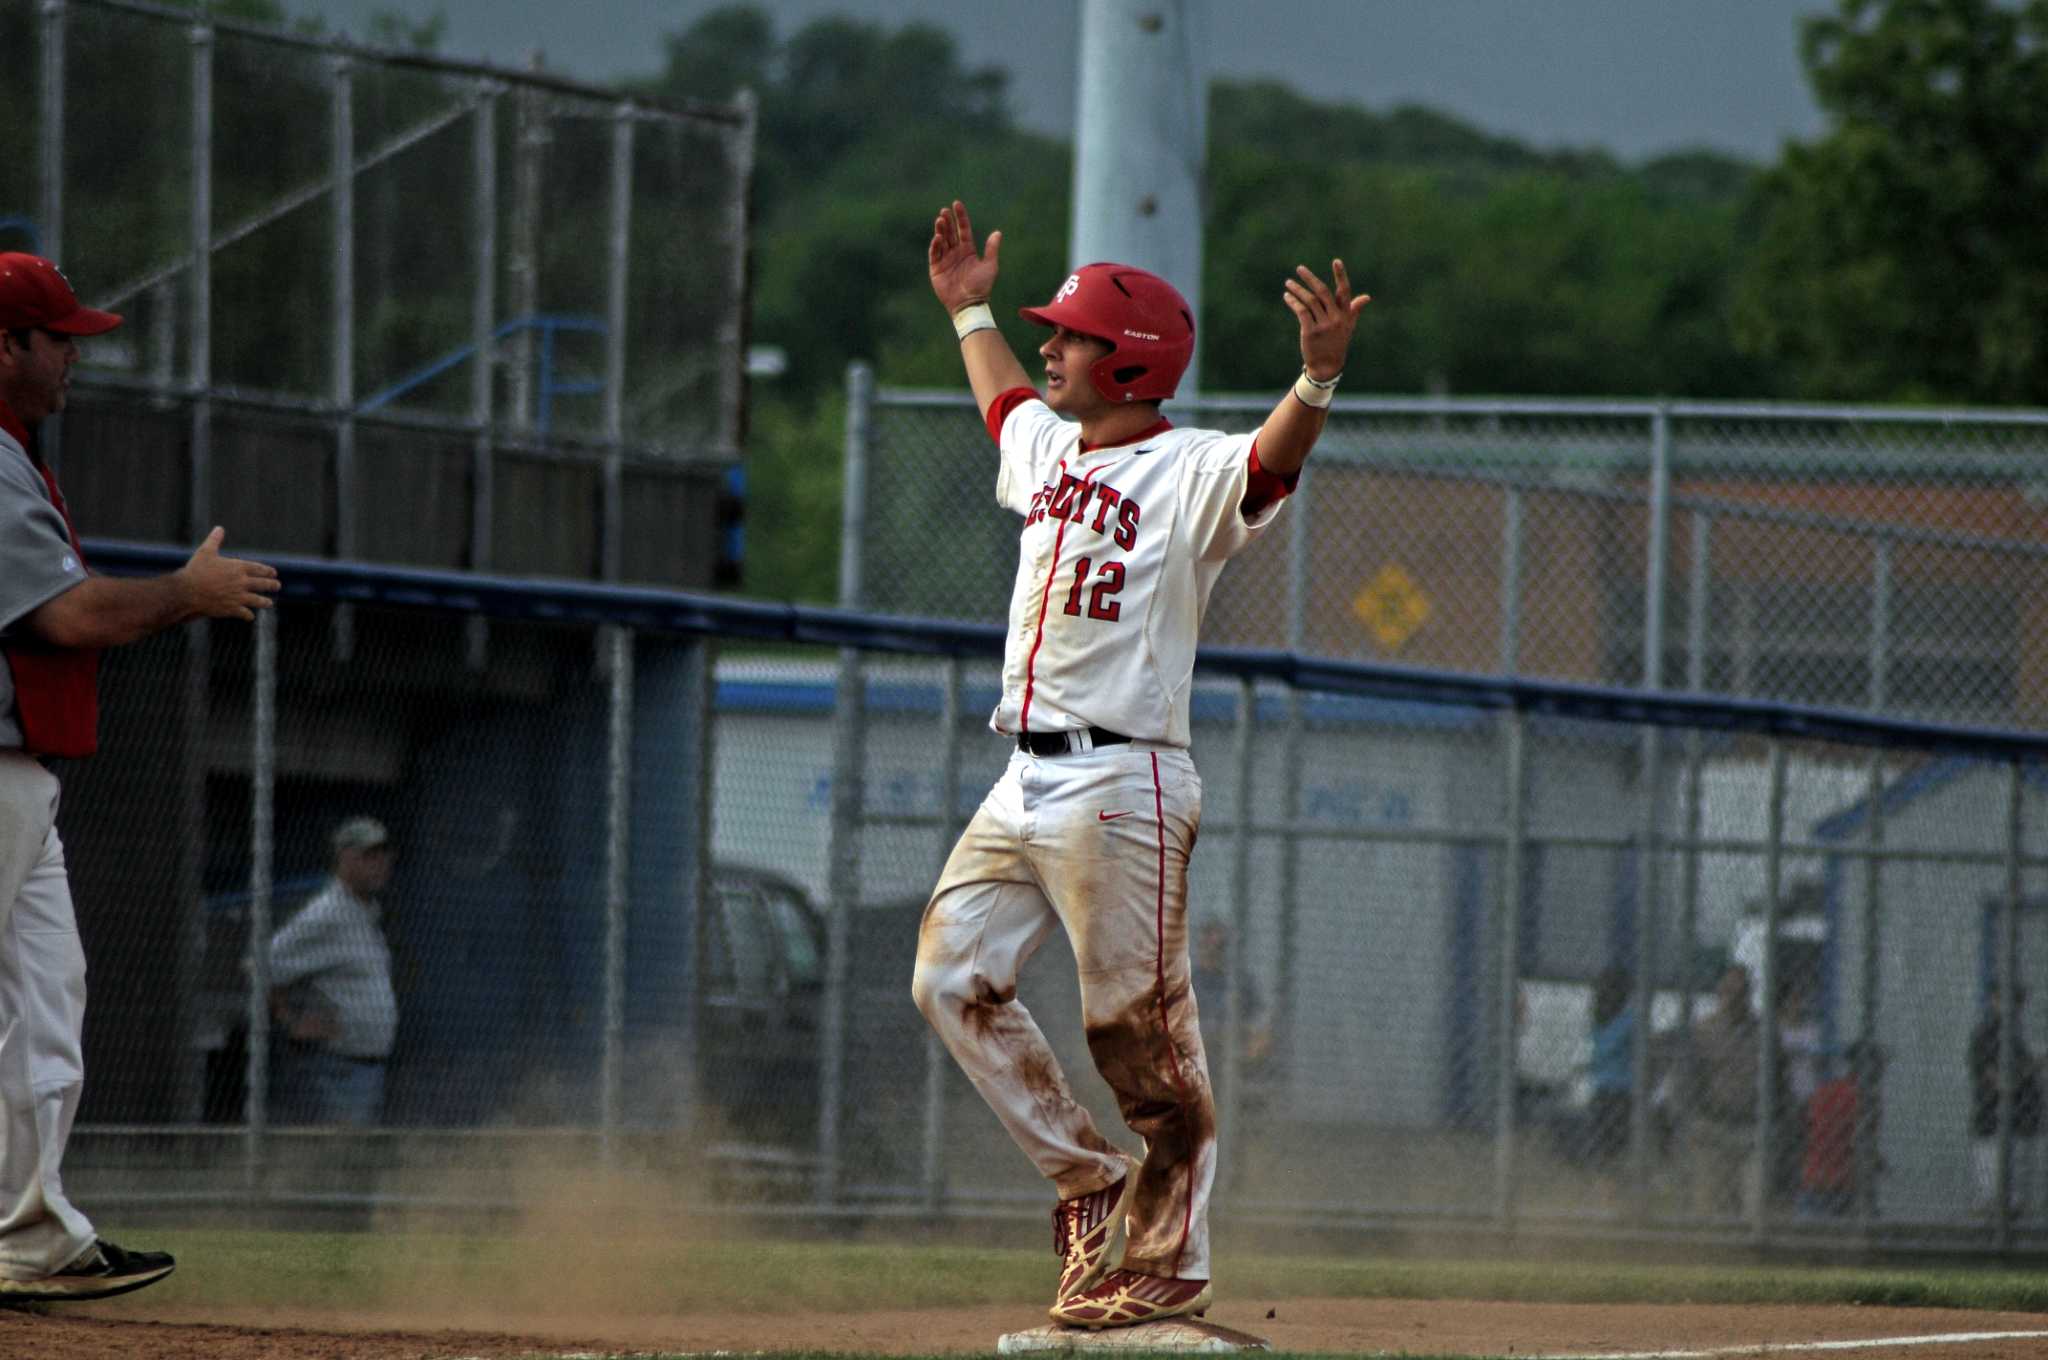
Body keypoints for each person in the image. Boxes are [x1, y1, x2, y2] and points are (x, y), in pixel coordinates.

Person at [910, 200, 1369, 1331]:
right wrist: (966, 304)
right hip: (1020, 776)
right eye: (1051, 331)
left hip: (1125, 783)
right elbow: (999, 397)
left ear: (1125, 358)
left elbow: (1268, 466)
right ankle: (1085, 1178)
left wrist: (1313, 382)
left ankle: (1167, 1259)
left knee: (1141, 1038)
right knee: (947, 980)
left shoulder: (1190, 469)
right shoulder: (1051, 445)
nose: (1051, 348)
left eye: (1067, 334)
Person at [0, 252, 278, 1300]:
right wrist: (187, 591)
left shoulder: (16, 455)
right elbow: (65, 616)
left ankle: (31, 1237)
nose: (75, 354)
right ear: (4, 345)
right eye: (57, 336)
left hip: (23, 775)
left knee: (48, 1000)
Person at [267, 817, 398, 1126]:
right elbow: (263, 966)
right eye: (369, 856)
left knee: (358, 1163)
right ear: (345, 858)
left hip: (368, 1068)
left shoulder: (366, 911)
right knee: (340, 1162)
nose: (380, 864)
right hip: (338, 1070)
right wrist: (292, 1021)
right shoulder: (328, 913)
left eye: (383, 855)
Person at [1681, 963, 1775, 1219]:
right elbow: (1686, 1081)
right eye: (1729, 990)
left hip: (1752, 1128)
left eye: (1741, 991)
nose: (1734, 997)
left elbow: (1780, 1082)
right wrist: (1691, 1118)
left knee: (1755, 1209)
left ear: (1749, 994)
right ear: (1719, 992)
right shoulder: (1703, 1031)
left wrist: (1778, 1122)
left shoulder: (1764, 1033)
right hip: (1712, 1126)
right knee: (1707, 1209)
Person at [1968, 984, 2043, 1216]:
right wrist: (2032, 1068)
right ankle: (1993, 1229)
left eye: (2018, 1004)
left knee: (2014, 1194)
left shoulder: (2013, 1037)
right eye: (2008, 1001)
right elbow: (2001, 1082)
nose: (2015, 1009)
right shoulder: (1986, 1035)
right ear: (1995, 1000)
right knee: (1994, 1194)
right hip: (1992, 1122)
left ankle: (2003, 1226)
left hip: (2018, 1123)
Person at [1584, 966, 1634, 1184]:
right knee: (1620, 1149)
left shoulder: (1599, 1018)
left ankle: (1605, 1190)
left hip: (1601, 1091)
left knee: (1604, 1151)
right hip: (1623, 1092)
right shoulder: (1630, 1020)